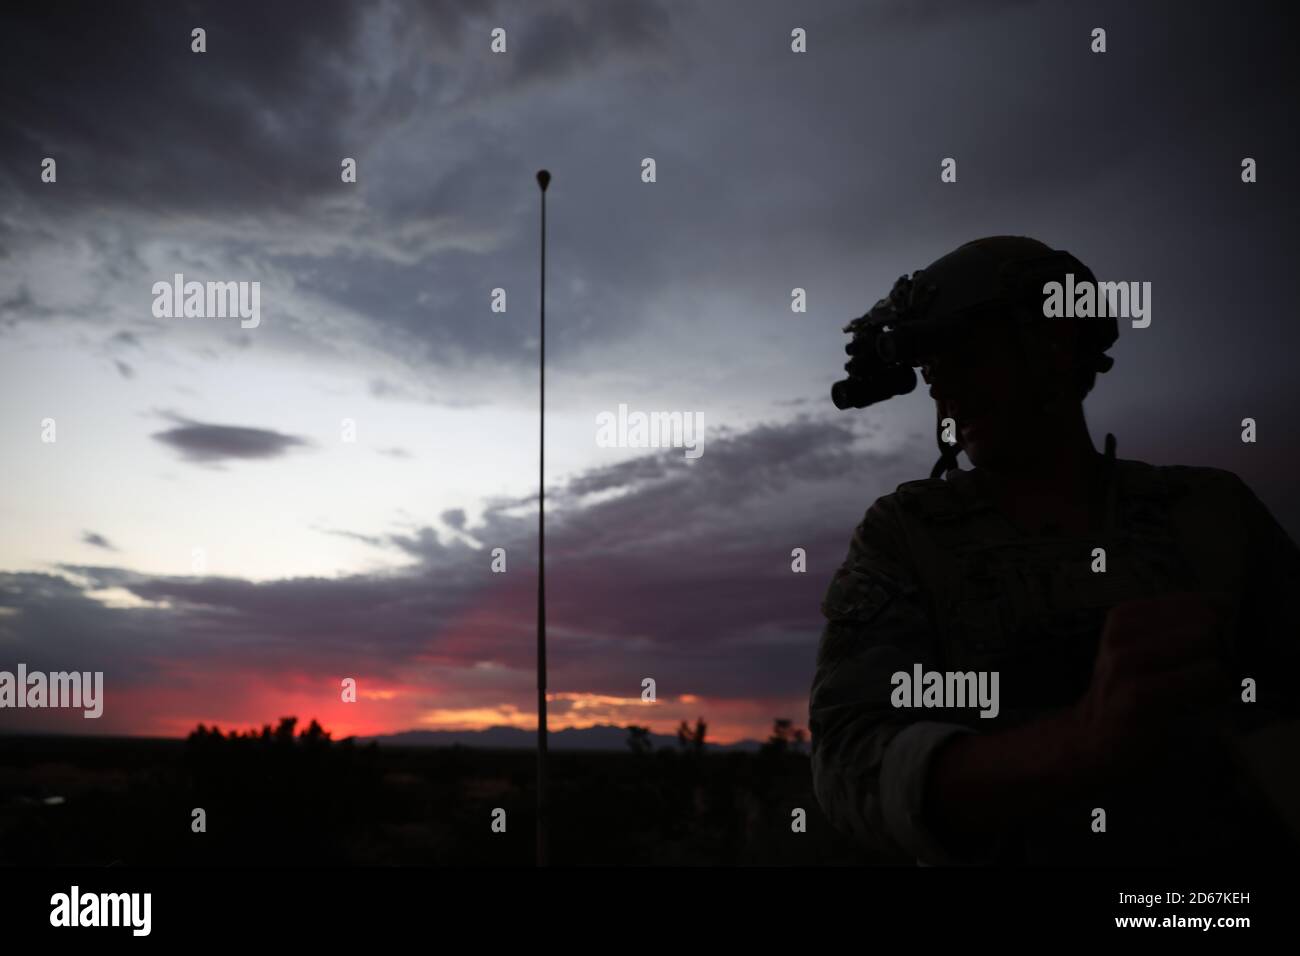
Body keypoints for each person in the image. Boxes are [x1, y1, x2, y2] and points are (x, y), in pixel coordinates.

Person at [809, 236, 1300, 865]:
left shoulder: (1210, 512)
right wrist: (1080, 742)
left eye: (968, 357)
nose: (945, 392)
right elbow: (851, 758)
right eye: (933, 372)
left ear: (1057, 345)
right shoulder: (907, 534)